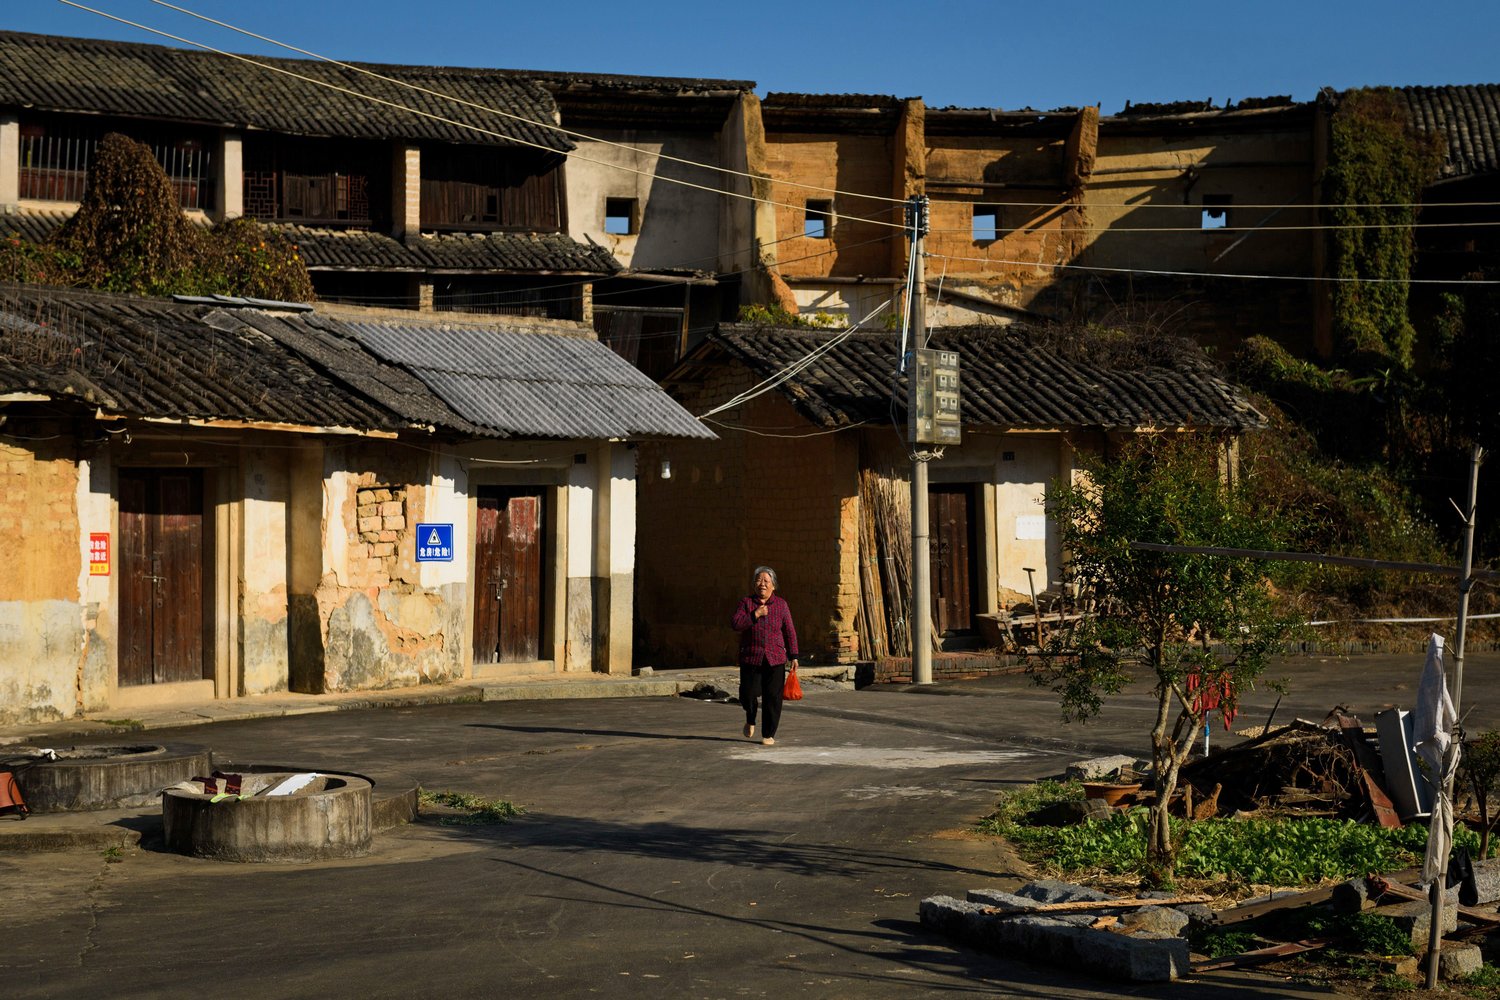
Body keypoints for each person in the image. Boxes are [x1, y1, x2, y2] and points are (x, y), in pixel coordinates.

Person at [731, 565, 799, 746]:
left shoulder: (781, 605)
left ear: (773, 586)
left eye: (766, 581)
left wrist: (794, 655)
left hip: (775, 658)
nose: (762, 584)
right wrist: (755, 614)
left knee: (773, 698)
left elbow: (789, 631)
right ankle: (750, 717)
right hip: (751, 657)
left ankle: (768, 734)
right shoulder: (746, 603)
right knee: (748, 694)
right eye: (758, 580)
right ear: (754, 584)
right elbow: (736, 624)